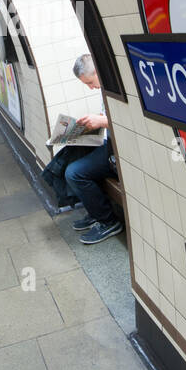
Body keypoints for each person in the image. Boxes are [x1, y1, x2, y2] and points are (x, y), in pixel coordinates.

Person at [65, 54, 122, 244]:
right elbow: (108, 116)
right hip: (110, 146)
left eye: (90, 82)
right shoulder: (104, 87)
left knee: (74, 173)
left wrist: (102, 121)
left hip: (121, 153)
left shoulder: (119, 83)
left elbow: (131, 121)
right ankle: (96, 211)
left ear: (97, 70)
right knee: (70, 164)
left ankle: (109, 221)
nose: (91, 87)